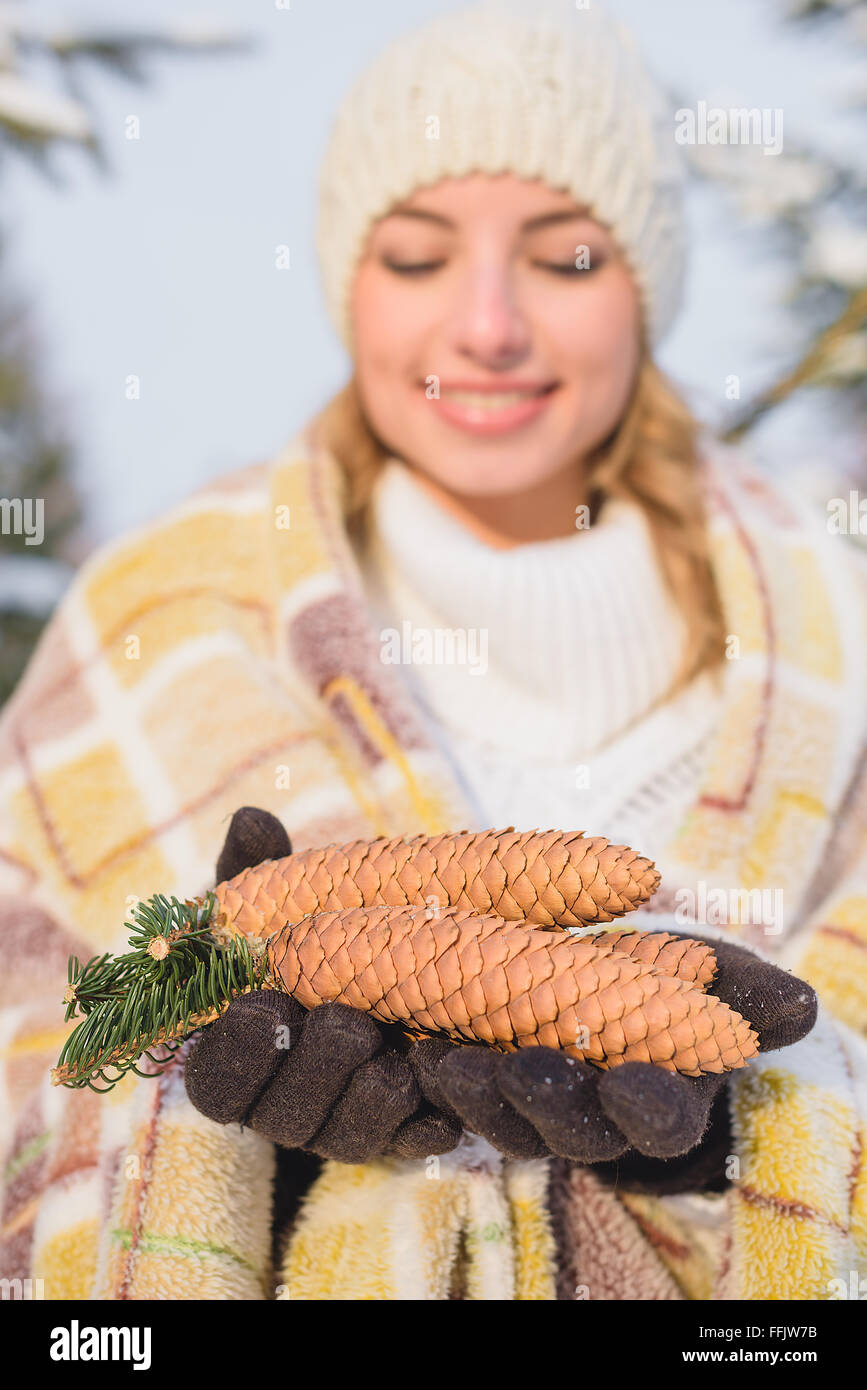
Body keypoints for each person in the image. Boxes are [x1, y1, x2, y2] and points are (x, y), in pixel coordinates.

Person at [1, 0, 865, 1302]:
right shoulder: (157, 616)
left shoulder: (841, 615)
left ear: (646, 285)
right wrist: (238, 1150)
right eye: (415, 257)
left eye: (565, 258)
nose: (486, 326)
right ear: (350, 280)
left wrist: (756, 1137)